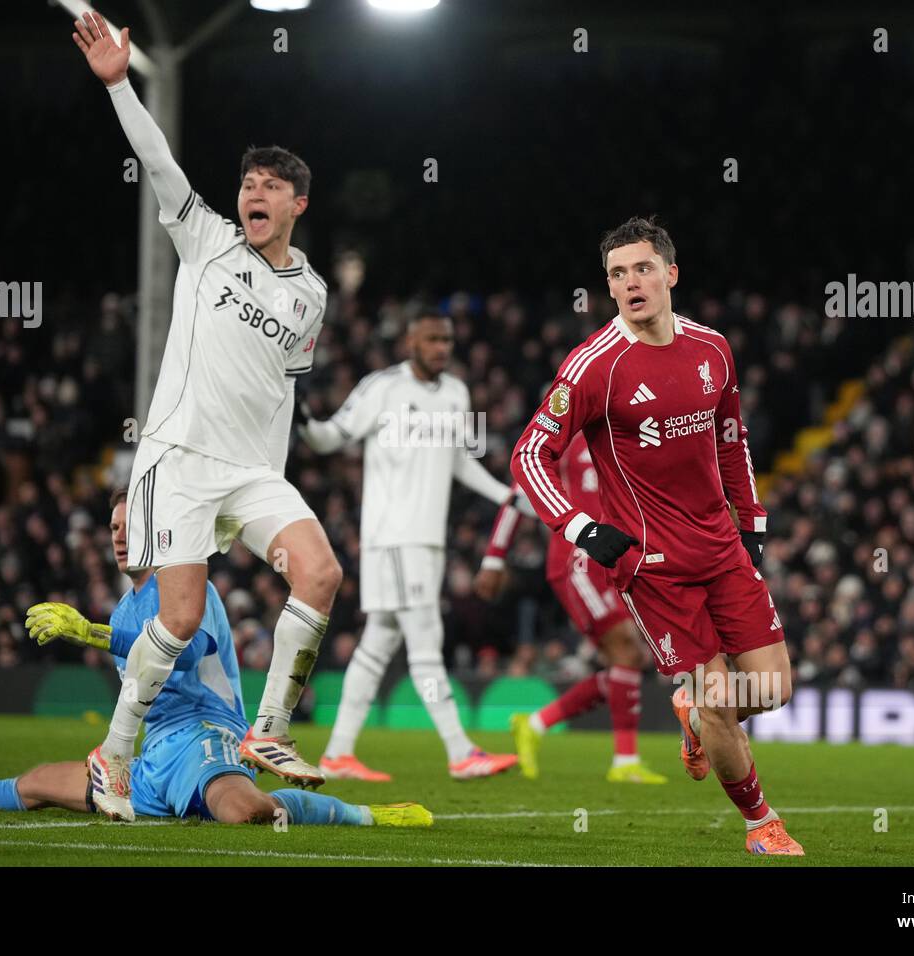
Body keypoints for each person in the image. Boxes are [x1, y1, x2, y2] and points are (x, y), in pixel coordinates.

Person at [70, 11, 339, 817]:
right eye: (247, 182)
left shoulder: (313, 294)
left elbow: (284, 383)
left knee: (320, 574)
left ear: (297, 204)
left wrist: (276, 472)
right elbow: (157, 160)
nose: (253, 192)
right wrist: (120, 83)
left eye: (270, 187)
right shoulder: (205, 238)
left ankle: (268, 730)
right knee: (180, 618)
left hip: (253, 471)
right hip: (180, 457)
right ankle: (112, 758)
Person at [0, 490, 430, 831]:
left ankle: (361, 815)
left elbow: (188, 653)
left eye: (128, 525)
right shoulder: (129, 604)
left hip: (205, 734)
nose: (117, 535)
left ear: (157, 530)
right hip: (148, 754)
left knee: (243, 813)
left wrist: (91, 633)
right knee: (37, 783)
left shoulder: (186, 585)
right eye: (111, 526)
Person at [509, 216, 803, 855]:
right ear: (609, 288)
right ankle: (761, 823)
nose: (630, 282)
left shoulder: (713, 349)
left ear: (671, 273)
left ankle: (696, 719)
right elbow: (529, 455)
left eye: (642, 268)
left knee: (774, 688)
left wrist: (751, 523)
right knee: (722, 702)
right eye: (617, 274)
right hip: (655, 567)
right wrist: (583, 528)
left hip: (722, 547)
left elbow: (732, 439)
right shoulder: (594, 367)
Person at [298, 312, 522, 780]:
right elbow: (330, 437)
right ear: (410, 341)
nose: (442, 347)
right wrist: (301, 417)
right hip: (395, 536)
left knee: (377, 643)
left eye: (447, 340)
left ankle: (338, 754)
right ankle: (460, 751)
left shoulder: (459, 393)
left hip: (426, 540)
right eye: (433, 340)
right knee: (426, 644)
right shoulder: (381, 387)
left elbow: (460, 461)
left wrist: (503, 494)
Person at [475, 431, 667, 784]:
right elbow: (521, 492)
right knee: (624, 649)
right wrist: (494, 557)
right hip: (578, 559)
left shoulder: (625, 428)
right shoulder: (562, 433)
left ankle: (534, 725)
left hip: (619, 559)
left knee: (627, 660)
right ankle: (625, 761)